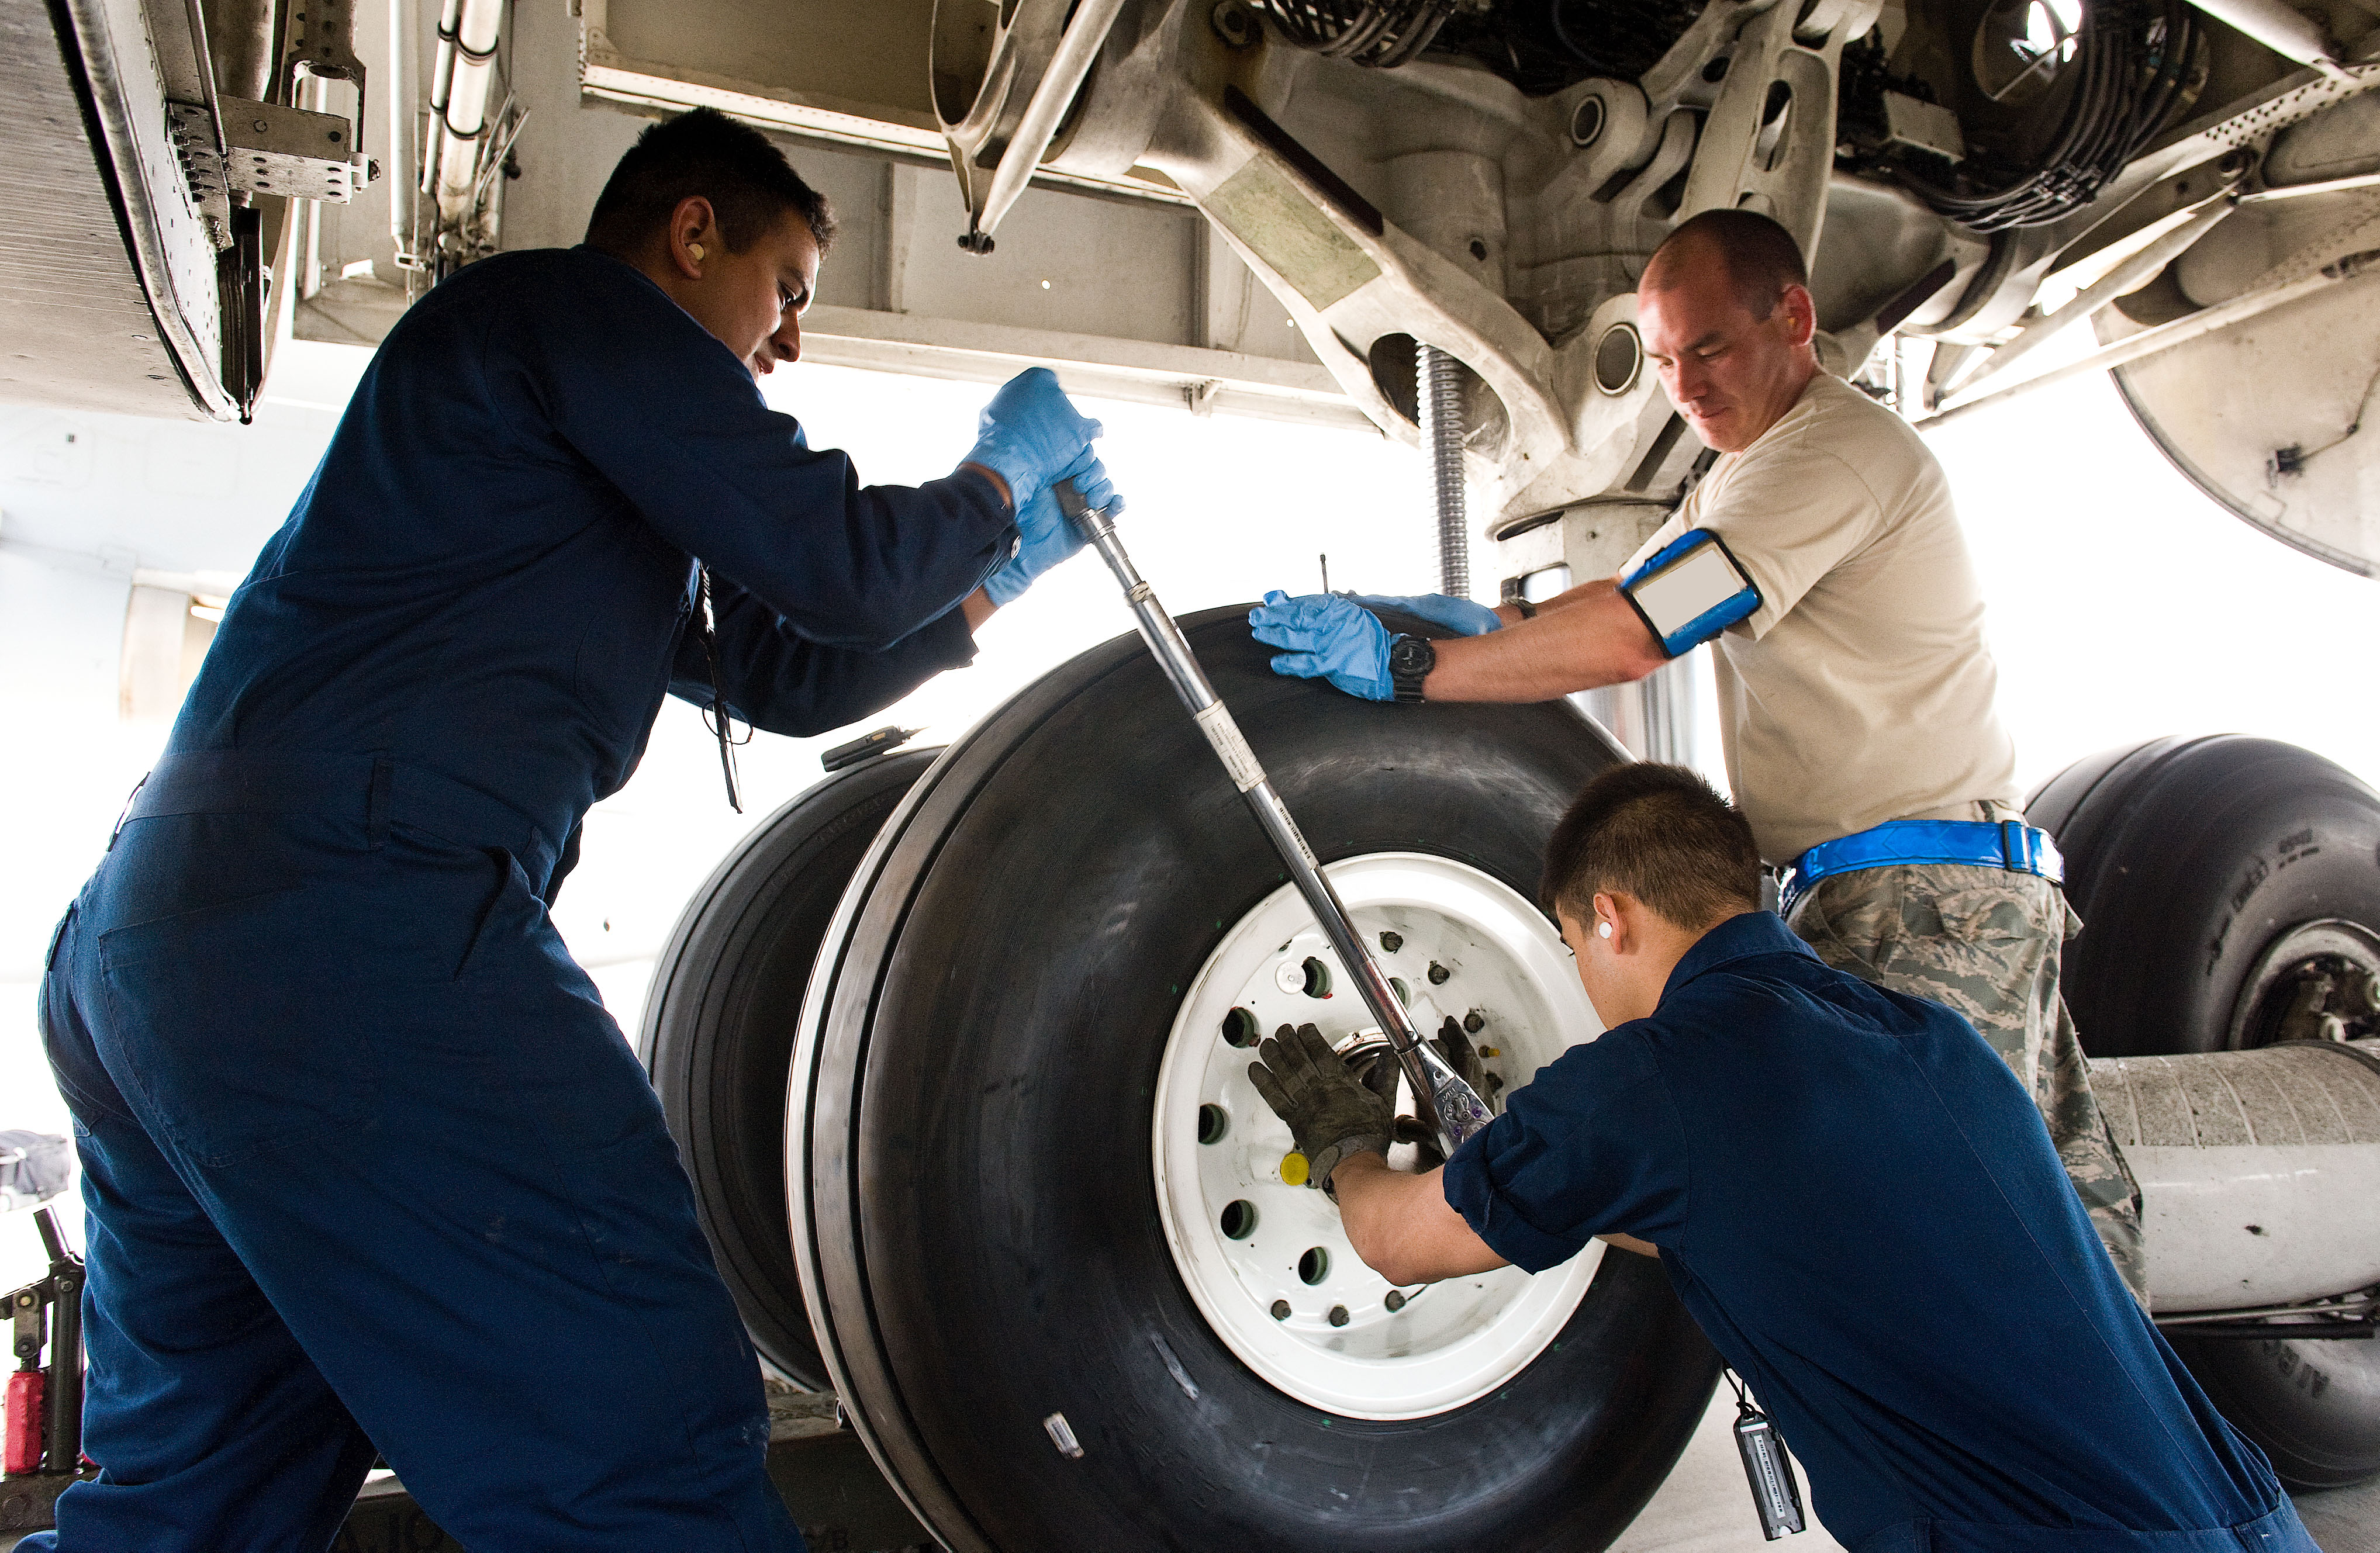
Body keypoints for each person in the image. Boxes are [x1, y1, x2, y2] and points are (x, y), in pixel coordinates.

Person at [31, 108, 1117, 1552]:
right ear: (691, 233)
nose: (787, 339)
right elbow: (841, 564)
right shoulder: (579, 315)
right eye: (786, 287)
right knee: (633, 1421)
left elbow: (788, 672)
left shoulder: (558, 456)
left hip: (157, 954)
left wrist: (1000, 578)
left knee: (196, 1497)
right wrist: (992, 481)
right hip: (349, 923)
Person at [1247, 207, 2146, 1298]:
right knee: (1910, 1236)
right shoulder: (1741, 473)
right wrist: (1479, 624)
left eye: (1709, 348)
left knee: (1976, 1258)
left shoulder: (1836, 454)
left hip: (1931, 907)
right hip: (1863, 897)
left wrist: (1413, 670)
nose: (1688, 384)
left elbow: (1640, 631)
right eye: (1667, 361)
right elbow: (1631, 589)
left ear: (1795, 316)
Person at [1248, 764, 2314, 1553]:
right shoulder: (1926, 1038)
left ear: (1609, 920)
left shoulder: (1658, 1076)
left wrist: (1342, 1143)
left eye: (1572, 948)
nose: (1579, 980)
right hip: (2248, 1517)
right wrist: (1526, 1172)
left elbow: (1396, 1240)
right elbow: (1770, 1217)